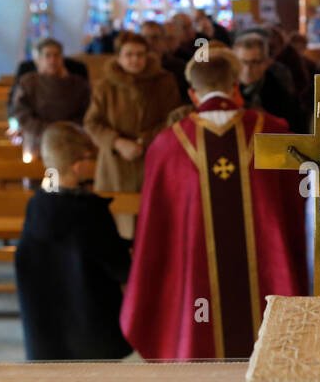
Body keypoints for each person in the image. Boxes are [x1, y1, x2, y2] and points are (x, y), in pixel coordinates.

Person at [120, 50, 308, 359]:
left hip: (197, 301)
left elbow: (155, 235)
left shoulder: (167, 145)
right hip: (265, 284)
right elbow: (294, 215)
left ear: (193, 95)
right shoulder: (273, 133)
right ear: (236, 87)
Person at [14, 122, 132, 360]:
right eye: (93, 158)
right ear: (79, 165)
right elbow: (121, 268)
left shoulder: (36, 206)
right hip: (93, 338)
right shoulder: (90, 211)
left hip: (46, 339)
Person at [84, 31, 183, 238]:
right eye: (129, 54)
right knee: (117, 228)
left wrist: (143, 141)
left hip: (153, 158)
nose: (135, 60)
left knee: (154, 227)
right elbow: (92, 122)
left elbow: (172, 118)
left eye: (140, 54)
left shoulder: (164, 81)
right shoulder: (105, 86)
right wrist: (117, 142)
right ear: (119, 56)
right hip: (115, 164)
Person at [10, 37, 92, 158]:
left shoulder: (78, 84)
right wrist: (45, 130)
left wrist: (67, 130)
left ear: (62, 58)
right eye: (47, 56)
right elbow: (20, 111)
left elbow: (86, 110)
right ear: (39, 60)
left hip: (70, 139)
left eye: (56, 55)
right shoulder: (28, 82)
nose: (52, 60)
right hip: (37, 140)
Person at [235, 34, 304, 133]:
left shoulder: (281, 95)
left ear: (266, 63)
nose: (247, 69)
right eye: (243, 62)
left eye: (254, 62)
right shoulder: (227, 90)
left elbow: (294, 131)